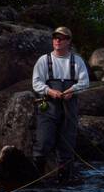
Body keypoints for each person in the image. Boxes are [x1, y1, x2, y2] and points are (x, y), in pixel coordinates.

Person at [32, 26, 90, 184]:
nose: (57, 40)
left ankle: (65, 183)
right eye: (55, 37)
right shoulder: (44, 60)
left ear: (68, 41)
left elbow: (84, 83)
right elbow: (36, 83)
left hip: (69, 109)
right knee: (43, 144)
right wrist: (50, 91)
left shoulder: (77, 61)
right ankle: (35, 182)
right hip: (48, 108)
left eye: (61, 38)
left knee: (66, 148)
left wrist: (73, 90)